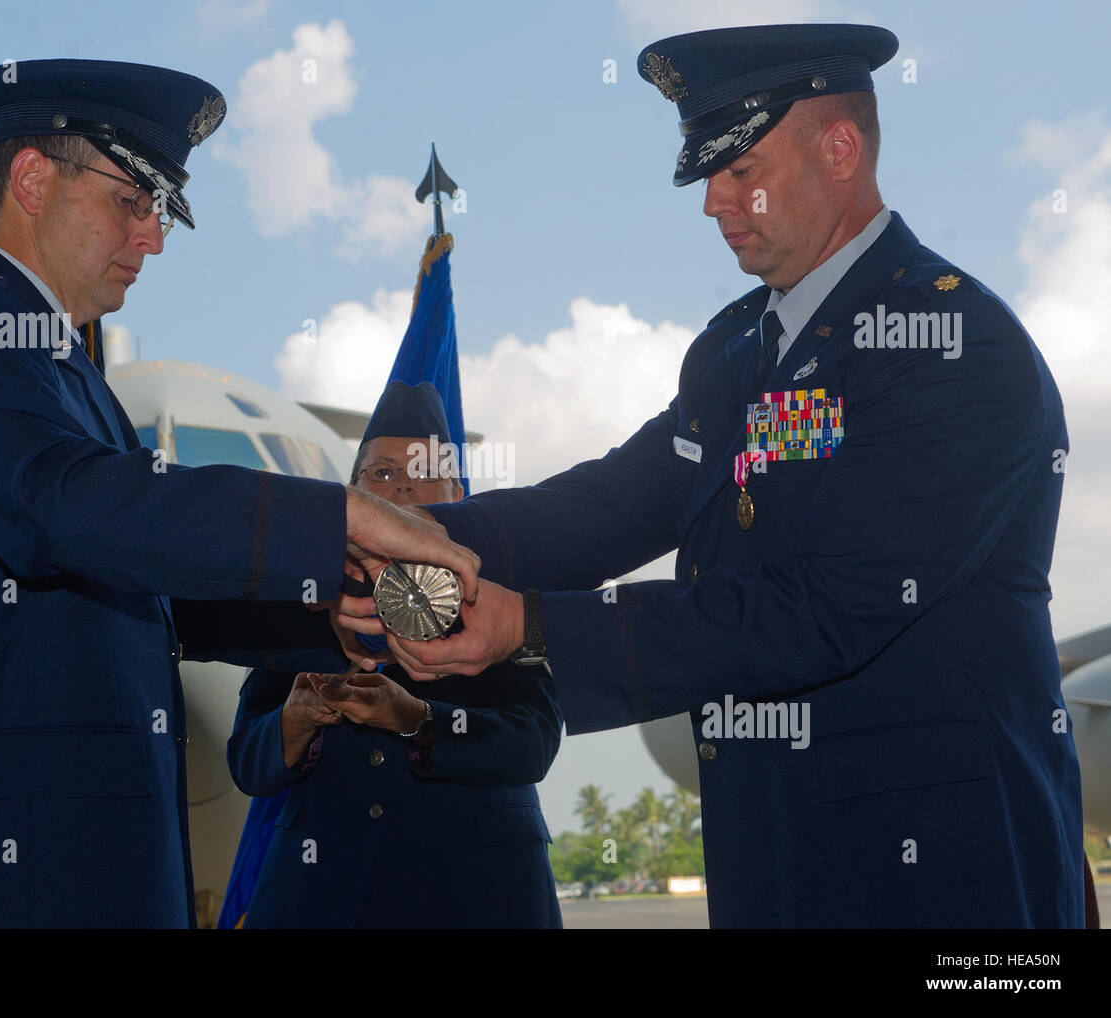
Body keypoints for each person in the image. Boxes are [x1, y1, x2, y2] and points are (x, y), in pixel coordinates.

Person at [363, 25, 1087, 928]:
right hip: (773, 857)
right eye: (707, 175)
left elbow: (823, 608)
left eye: (741, 170)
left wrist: (528, 626)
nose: (714, 201)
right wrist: (395, 533)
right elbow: (608, 505)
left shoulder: (951, 345)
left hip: (942, 867)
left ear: (840, 148)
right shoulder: (736, 354)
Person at [0, 60, 478, 929]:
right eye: (131, 201)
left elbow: (134, 586)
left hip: (83, 867)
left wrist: (325, 606)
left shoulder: (63, 369)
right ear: (32, 179)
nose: (152, 238)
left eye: (161, 212)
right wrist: (330, 514)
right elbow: (60, 507)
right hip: (12, 874)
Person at [228, 382, 563, 928]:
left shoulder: (501, 600)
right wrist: (294, 721)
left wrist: (420, 721)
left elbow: (534, 745)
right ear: (353, 495)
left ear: (458, 492)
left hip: (478, 894)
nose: (404, 486)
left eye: (426, 471)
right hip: (320, 895)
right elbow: (247, 762)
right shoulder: (303, 599)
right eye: (381, 473)